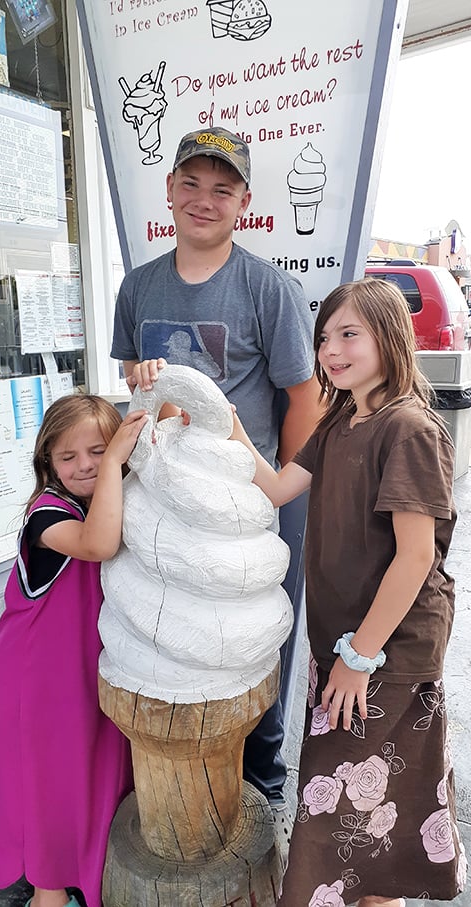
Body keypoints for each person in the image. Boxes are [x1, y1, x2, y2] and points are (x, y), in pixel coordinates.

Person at [111, 126, 323, 834]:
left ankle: (263, 774)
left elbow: (304, 399)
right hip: (164, 499)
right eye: (192, 184)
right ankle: (169, 771)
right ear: (169, 192)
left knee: (261, 637)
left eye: (222, 189)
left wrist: (277, 492)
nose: (205, 199)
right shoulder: (137, 286)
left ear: (247, 204)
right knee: (166, 636)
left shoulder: (269, 288)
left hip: (247, 501)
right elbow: (135, 379)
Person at [229, 278, 466, 906]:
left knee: (363, 823)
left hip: (384, 654)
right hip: (346, 649)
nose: (332, 350)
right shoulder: (340, 420)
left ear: (390, 336)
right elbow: (278, 487)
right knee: (360, 822)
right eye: (324, 337)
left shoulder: (408, 427)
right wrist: (225, 423)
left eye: (349, 333)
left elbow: (415, 557)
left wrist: (359, 659)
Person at [0, 394, 148, 907]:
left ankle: (88, 871)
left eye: (98, 450)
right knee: (52, 774)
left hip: (90, 661)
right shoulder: (47, 514)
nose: (84, 465)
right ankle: (49, 885)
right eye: (68, 457)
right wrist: (114, 465)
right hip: (43, 672)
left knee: (98, 762)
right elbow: (97, 545)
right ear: (48, 465)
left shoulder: (104, 497)